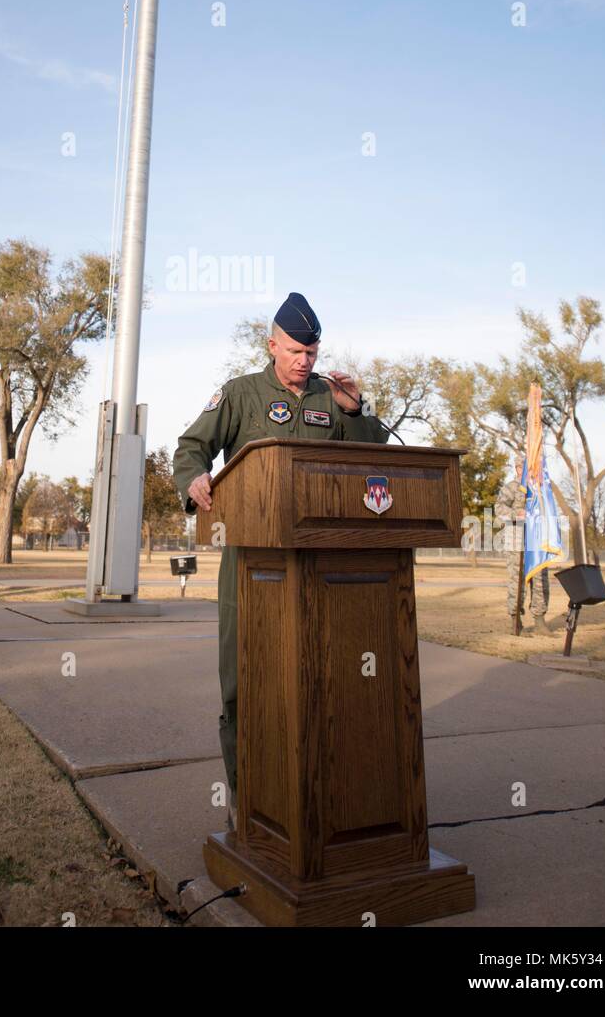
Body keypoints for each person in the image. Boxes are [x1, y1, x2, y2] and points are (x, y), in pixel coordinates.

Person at [172, 291, 388, 833]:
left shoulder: (331, 398)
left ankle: (319, 795)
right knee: (245, 682)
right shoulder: (241, 394)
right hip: (250, 563)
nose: (305, 362)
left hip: (323, 568)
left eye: (312, 352)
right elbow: (190, 447)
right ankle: (249, 801)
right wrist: (194, 479)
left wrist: (357, 414)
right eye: (294, 351)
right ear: (272, 345)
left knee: (323, 680)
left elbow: (370, 463)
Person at [496, 457, 550, 633]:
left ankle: (540, 619)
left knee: (540, 577)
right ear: (518, 468)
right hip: (516, 537)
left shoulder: (539, 489)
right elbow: (499, 509)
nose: (526, 471)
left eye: (531, 468)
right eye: (523, 467)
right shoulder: (510, 487)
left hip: (536, 538)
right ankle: (515, 619)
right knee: (516, 578)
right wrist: (515, 513)